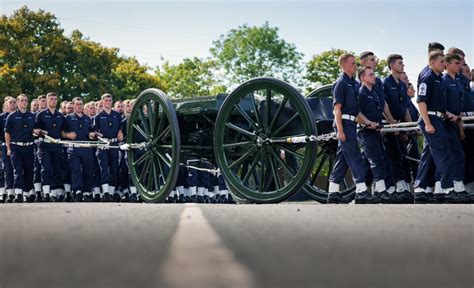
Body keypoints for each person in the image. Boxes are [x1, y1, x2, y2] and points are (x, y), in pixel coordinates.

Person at [327, 53, 372, 204]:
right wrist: (340, 130)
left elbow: (356, 110)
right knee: (354, 156)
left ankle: (333, 193)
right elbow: (337, 109)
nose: (355, 66)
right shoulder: (340, 83)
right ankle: (361, 190)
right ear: (344, 65)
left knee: (342, 160)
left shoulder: (353, 84)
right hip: (344, 124)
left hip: (352, 123)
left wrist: (367, 122)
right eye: (353, 64)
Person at [414, 51, 455, 203]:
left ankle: (421, 188)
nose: (444, 64)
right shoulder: (428, 78)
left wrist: (447, 113)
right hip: (430, 119)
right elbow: (421, 102)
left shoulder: (439, 79)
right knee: (443, 153)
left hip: (438, 118)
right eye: (441, 61)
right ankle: (448, 189)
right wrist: (427, 123)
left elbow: (439, 104)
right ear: (432, 62)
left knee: (430, 155)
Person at [438, 53, 469, 203]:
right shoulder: (443, 81)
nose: (459, 66)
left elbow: (460, 110)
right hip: (444, 124)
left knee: (458, 155)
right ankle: (454, 188)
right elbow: (440, 105)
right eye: (456, 63)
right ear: (447, 64)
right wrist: (449, 115)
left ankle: (457, 187)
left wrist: (461, 128)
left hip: (455, 124)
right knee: (454, 156)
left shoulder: (457, 81)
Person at [356, 67, 387, 203]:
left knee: (368, 163)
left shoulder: (373, 93)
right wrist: (368, 123)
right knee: (377, 160)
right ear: (363, 78)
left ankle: (362, 192)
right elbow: (356, 114)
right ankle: (381, 191)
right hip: (366, 132)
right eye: (371, 74)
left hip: (376, 132)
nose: (374, 76)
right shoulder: (361, 94)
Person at [5, 94, 41, 202]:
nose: (24, 102)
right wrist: (8, 148)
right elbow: (7, 133)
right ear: (18, 102)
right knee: (18, 170)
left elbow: (35, 129)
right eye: (22, 100)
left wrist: (37, 131)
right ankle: (18, 193)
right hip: (16, 147)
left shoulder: (32, 116)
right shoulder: (11, 116)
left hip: (29, 147)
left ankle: (26, 193)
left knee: (29, 171)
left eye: (26, 100)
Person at [62, 97, 95, 202]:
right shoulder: (67, 118)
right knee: (76, 171)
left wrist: (92, 134)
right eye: (77, 104)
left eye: (81, 104)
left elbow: (91, 132)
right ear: (74, 105)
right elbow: (62, 133)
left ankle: (86, 192)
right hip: (73, 149)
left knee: (87, 171)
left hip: (86, 148)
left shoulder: (87, 118)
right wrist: (68, 135)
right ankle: (77, 192)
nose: (79, 106)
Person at [92, 93, 123, 202]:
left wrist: (120, 134)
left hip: (114, 144)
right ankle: (105, 192)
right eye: (106, 100)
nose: (108, 102)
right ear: (102, 102)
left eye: (110, 100)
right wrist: (97, 135)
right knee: (104, 169)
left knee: (114, 169)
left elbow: (120, 129)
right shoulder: (98, 116)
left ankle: (110, 193)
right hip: (103, 145)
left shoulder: (117, 115)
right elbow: (94, 131)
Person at [35, 92, 65, 202]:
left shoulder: (60, 116)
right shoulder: (41, 115)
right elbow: (34, 130)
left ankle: (54, 193)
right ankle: (46, 193)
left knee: (57, 169)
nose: (53, 101)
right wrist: (39, 131)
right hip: (44, 145)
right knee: (46, 169)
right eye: (51, 99)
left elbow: (63, 132)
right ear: (47, 101)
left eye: (55, 99)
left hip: (56, 146)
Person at [0, 97, 17, 203]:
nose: (12, 104)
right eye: (10, 102)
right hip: (4, 146)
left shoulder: (20, 116)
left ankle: (16, 192)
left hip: (18, 146)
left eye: (14, 102)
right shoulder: (1, 117)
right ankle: (5, 192)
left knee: (18, 169)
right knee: (6, 169)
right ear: (6, 104)